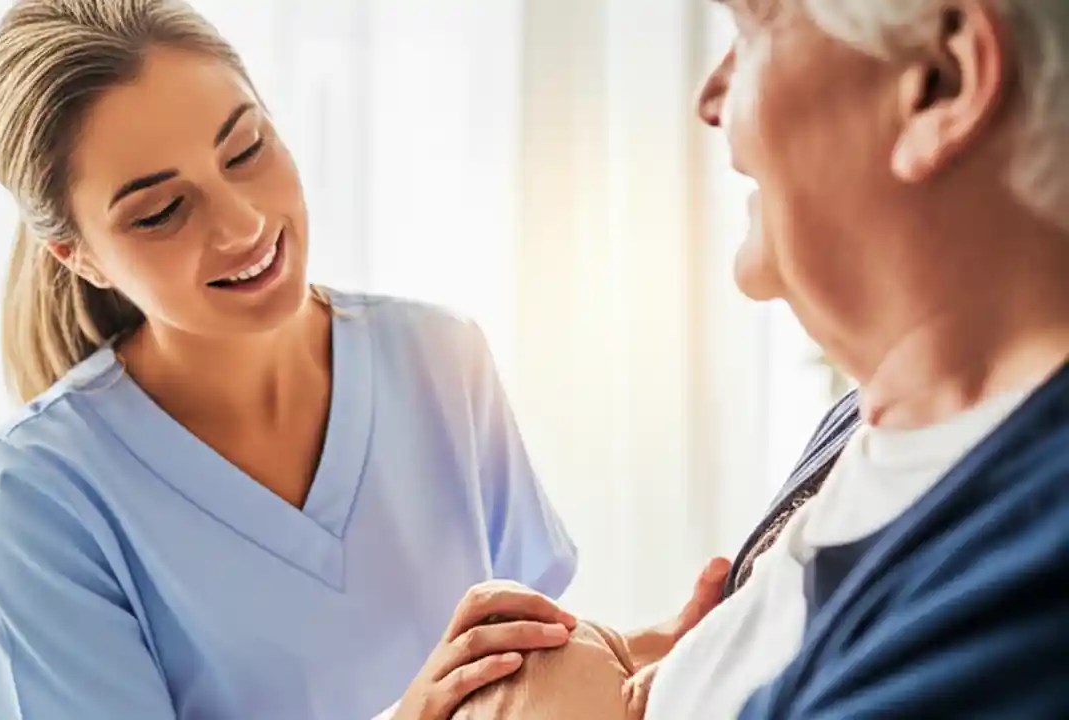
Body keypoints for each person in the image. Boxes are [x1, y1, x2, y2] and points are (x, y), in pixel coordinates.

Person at [0, 1, 583, 718]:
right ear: (81, 256)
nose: (244, 224)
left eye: (247, 149)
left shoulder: (442, 359)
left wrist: (665, 652)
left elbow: (527, 682)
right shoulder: (41, 494)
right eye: (163, 211)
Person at [456, 0, 1069, 717]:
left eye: (752, 29)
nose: (711, 97)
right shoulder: (872, 430)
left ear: (941, 81)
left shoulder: (1026, 584)